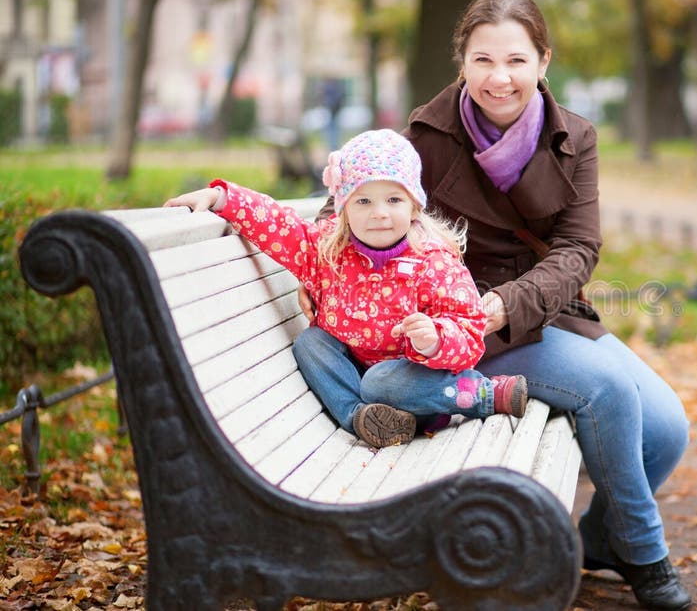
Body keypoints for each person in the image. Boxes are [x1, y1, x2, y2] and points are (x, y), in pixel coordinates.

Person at [297, 0, 693, 610]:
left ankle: (598, 544)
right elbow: (349, 203)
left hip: (536, 307)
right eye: (483, 60)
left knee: (667, 430)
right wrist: (323, 263)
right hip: (452, 326)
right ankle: (645, 555)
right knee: (607, 393)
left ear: (543, 61)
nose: (499, 78)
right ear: (463, 63)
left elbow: (578, 247)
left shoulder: (574, 138)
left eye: (515, 60)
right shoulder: (429, 134)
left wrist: (512, 302)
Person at [164, 128, 528, 450]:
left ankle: (479, 394)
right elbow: (277, 224)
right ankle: (363, 420)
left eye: (394, 200)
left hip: (414, 384)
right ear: (343, 208)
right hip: (357, 380)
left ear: (415, 206)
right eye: (364, 201)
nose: (379, 213)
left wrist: (433, 338)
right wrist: (221, 198)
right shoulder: (328, 252)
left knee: (382, 380)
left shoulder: (433, 262)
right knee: (311, 343)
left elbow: (469, 330)